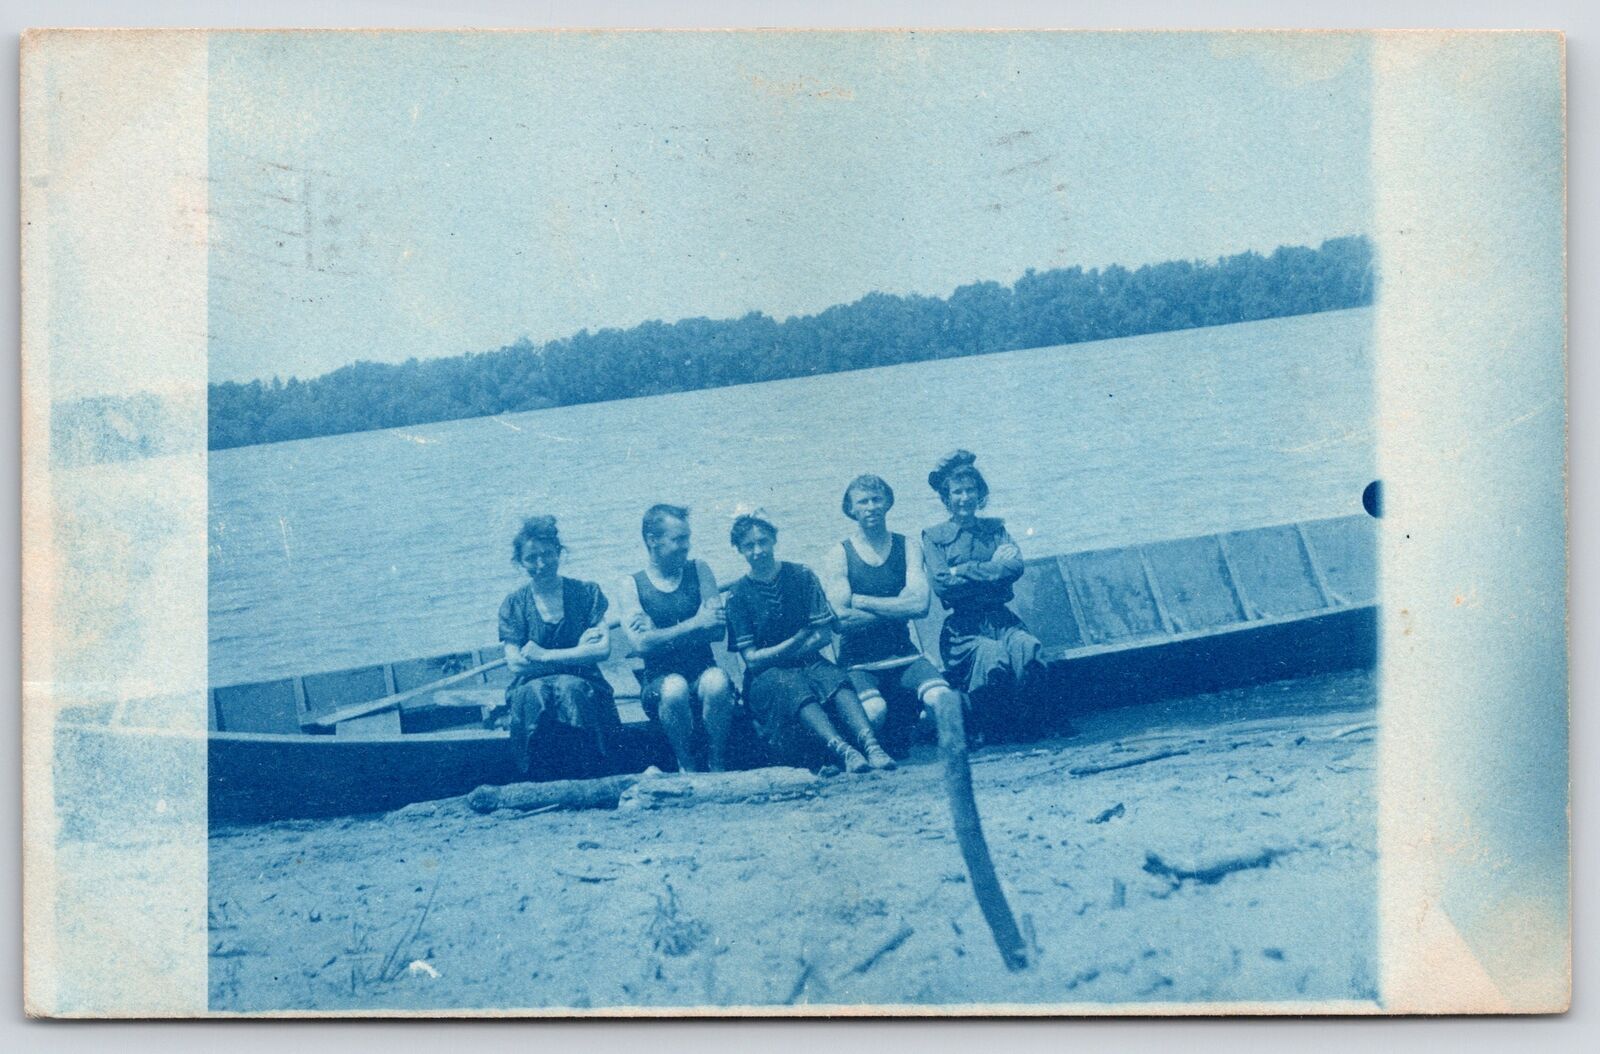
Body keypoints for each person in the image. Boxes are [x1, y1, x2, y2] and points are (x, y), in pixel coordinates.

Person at [724, 508, 895, 774]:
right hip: (765, 678)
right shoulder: (738, 594)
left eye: (763, 542)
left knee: (833, 678)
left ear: (774, 540)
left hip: (808, 660)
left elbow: (824, 635)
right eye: (749, 546)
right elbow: (753, 659)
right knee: (791, 683)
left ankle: (872, 747)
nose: (758, 551)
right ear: (739, 550)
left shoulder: (801, 575)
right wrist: (799, 638)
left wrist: (786, 650)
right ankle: (845, 751)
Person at [821, 474, 961, 757]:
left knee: (943, 701)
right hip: (858, 663)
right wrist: (897, 607)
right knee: (874, 712)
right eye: (863, 502)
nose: (871, 507)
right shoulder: (839, 553)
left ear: (887, 504)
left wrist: (860, 600)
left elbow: (920, 606)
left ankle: (918, 733)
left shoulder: (907, 546)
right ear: (851, 509)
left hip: (904, 655)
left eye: (877, 500)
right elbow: (841, 620)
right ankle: (887, 739)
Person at [921, 451, 1057, 742]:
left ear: (980, 493)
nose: (965, 498)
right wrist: (992, 568)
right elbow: (943, 585)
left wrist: (964, 570)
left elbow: (1015, 566)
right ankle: (993, 727)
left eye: (971, 490)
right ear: (947, 498)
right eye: (957, 492)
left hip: (1002, 619)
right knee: (991, 656)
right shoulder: (934, 537)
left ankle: (1028, 722)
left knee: (1027, 648)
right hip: (963, 629)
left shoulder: (996, 529)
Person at [615, 504, 740, 772]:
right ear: (652, 541)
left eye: (688, 538)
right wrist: (695, 623)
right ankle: (687, 764)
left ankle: (717, 762)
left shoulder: (699, 570)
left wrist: (658, 633)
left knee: (718, 681)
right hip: (659, 681)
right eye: (678, 539)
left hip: (702, 671)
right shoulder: (631, 584)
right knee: (674, 688)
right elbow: (639, 645)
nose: (687, 546)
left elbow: (717, 630)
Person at [497, 515, 623, 780]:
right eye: (531, 558)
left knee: (571, 688)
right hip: (531, 685)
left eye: (548, 554)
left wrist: (543, 656)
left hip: (584, 682)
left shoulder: (586, 593)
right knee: (535, 693)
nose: (541, 564)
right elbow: (515, 663)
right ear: (520, 562)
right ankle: (540, 775)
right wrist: (578, 654)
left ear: (559, 552)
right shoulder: (514, 604)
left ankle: (590, 771)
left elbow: (602, 650)